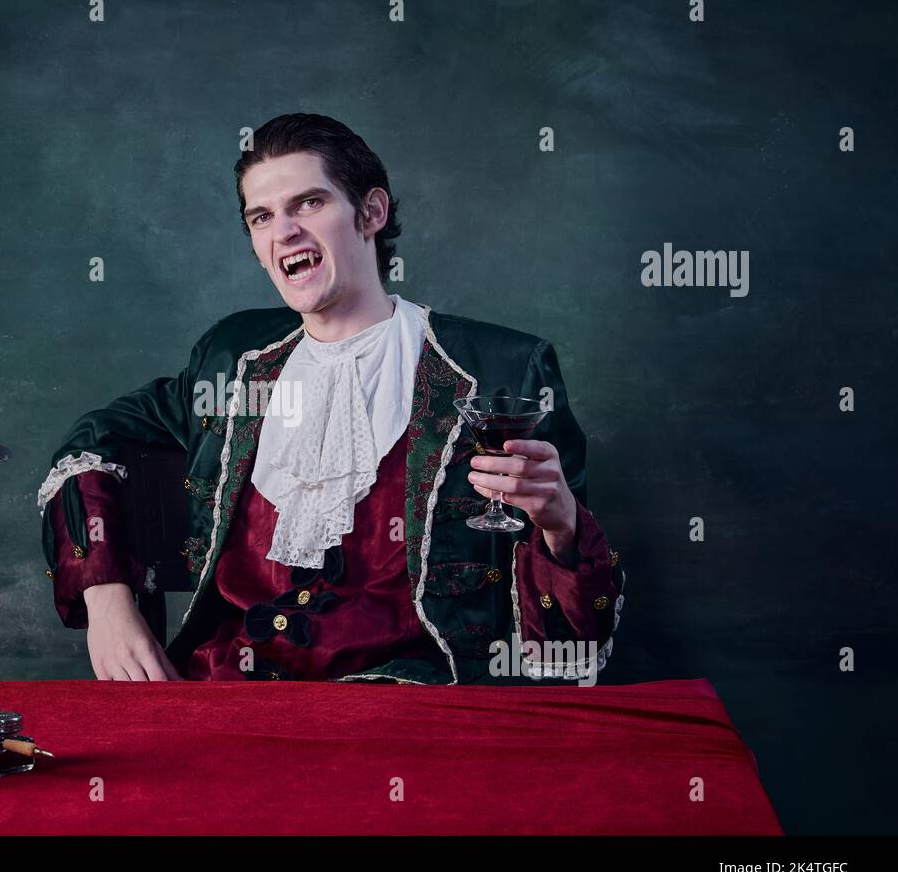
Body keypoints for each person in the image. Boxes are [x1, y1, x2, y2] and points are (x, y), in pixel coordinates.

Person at [37, 113, 626, 685]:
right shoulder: (231, 358)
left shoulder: (501, 369)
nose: (284, 231)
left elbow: (568, 656)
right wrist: (108, 598)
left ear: (372, 211)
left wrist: (561, 525)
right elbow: (94, 443)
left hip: (412, 709)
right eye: (262, 216)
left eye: (309, 204)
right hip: (226, 696)